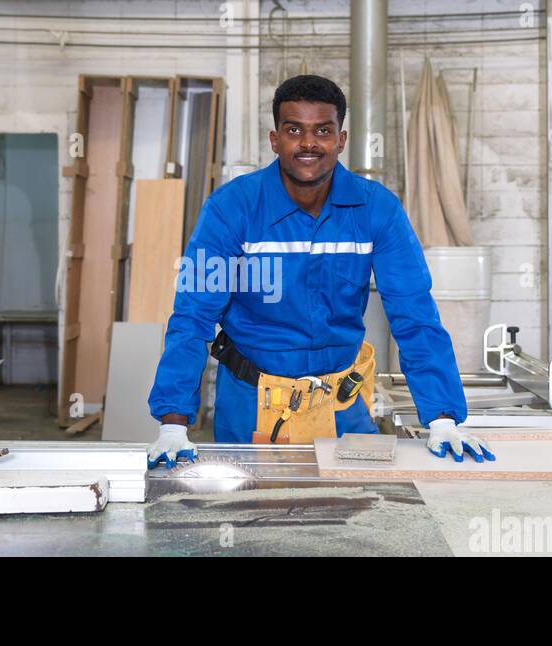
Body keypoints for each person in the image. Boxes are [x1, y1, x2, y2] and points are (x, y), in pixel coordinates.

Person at [145, 74, 492, 468]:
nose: (308, 143)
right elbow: (193, 315)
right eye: (294, 130)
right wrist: (173, 422)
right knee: (250, 520)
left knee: (359, 518)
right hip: (249, 405)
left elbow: (415, 316)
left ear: (340, 140)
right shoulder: (232, 209)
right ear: (275, 140)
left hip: (343, 404)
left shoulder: (377, 209)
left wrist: (442, 417)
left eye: (323, 131)